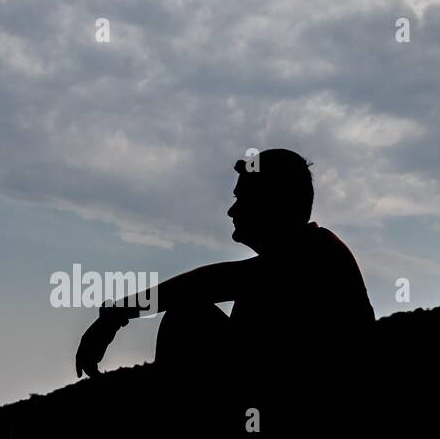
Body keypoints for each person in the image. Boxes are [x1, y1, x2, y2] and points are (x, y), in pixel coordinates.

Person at [74, 149, 374, 415]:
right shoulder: (296, 258)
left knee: (187, 316)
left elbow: (211, 282)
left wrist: (118, 313)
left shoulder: (316, 253)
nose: (232, 210)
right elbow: (219, 281)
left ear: (275, 203)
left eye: (243, 199)